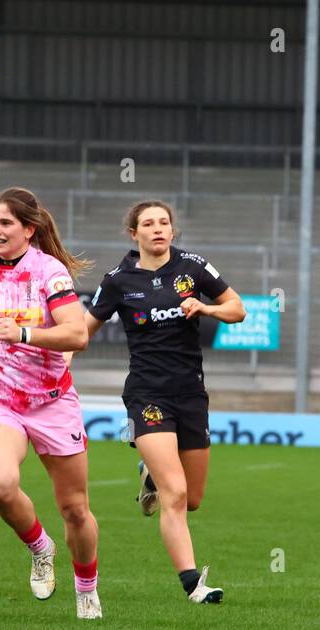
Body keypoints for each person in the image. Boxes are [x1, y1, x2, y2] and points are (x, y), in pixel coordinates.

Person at [85, 199, 245, 604]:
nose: (158, 229)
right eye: (148, 224)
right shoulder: (119, 280)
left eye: (164, 223)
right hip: (146, 395)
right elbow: (82, 332)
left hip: (191, 393)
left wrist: (205, 307)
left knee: (191, 499)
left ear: (172, 230)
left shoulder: (193, 267)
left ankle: (149, 475)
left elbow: (237, 309)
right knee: (175, 494)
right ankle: (194, 584)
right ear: (133, 233)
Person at [0, 187, 103, 620]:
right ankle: (40, 547)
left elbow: (77, 334)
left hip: (53, 403)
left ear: (28, 229)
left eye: (5, 223)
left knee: (75, 508)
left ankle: (86, 588)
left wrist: (24, 334)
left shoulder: (49, 273)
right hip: (2, 401)